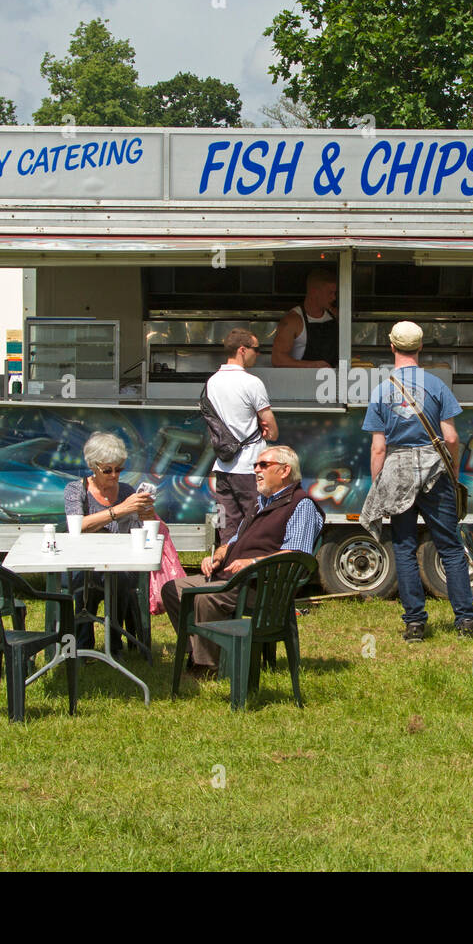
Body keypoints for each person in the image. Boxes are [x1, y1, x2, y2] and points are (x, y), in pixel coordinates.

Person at [161, 445, 324, 676]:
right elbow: (236, 540)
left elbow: (296, 555)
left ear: (285, 470)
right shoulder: (260, 502)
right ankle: (196, 651)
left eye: (263, 465)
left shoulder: (301, 505)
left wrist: (253, 563)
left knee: (206, 598)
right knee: (172, 589)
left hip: (264, 587)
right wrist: (218, 555)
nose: (256, 470)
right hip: (233, 578)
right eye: (255, 465)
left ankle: (208, 667)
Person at [360, 320, 473, 641]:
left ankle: (414, 623)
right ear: (421, 347)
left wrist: (378, 485)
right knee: (450, 547)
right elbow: (451, 437)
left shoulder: (382, 390)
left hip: (397, 473)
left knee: (405, 547)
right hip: (435, 469)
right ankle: (466, 620)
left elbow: (379, 446)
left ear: (392, 347)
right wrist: (452, 471)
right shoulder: (437, 385)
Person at [63, 431, 157, 653]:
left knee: (120, 579)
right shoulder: (76, 490)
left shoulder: (126, 491)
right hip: (85, 562)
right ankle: (83, 646)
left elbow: (137, 531)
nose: (114, 475)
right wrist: (118, 511)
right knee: (85, 580)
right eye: (108, 470)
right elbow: (77, 526)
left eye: (119, 469)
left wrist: (147, 516)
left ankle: (115, 644)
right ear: (93, 467)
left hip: (120, 563)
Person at [206, 327, 278, 544]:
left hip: (222, 466)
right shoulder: (251, 383)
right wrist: (263, 427)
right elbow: (273, 431)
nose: (258, 354)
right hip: (249, 467)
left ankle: (228, 572)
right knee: (257, 527)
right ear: (242, 350)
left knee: (227, 530)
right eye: (256, 350)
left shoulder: (212, 382)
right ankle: (254, 574)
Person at [271, 268, 338, 368]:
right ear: (314, 292)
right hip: (301, 381)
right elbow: (277, 359)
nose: (334, 298)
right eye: (330, 293)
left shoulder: (335, 315)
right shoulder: (293, 321)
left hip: (332, 381)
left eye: (334, 293)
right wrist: (312, 365)